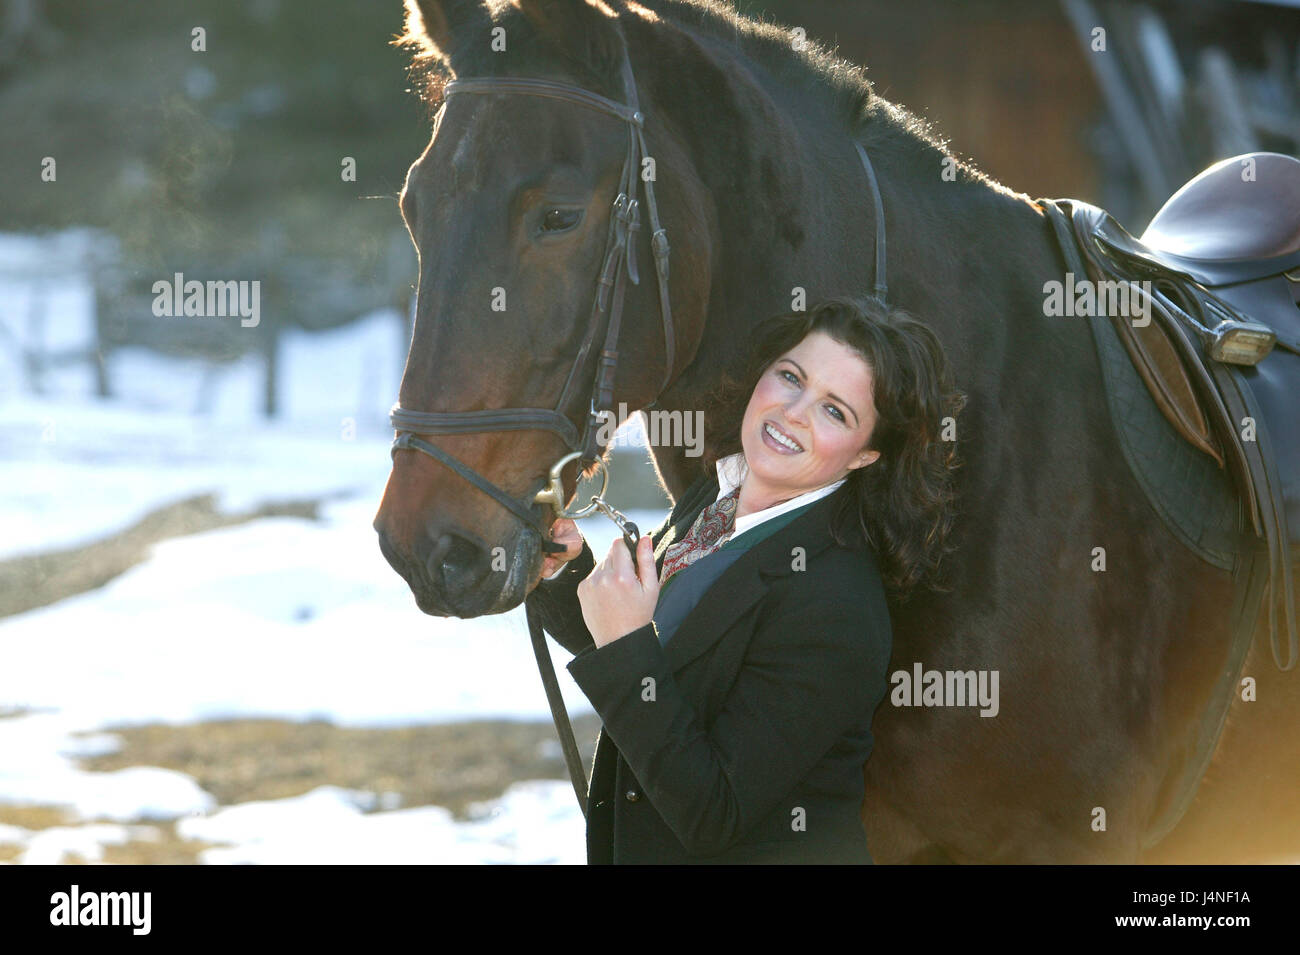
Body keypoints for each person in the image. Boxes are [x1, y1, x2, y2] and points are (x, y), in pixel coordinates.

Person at [525, 296, 964, 864]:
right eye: (791, 377)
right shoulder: (716, 497)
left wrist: (628, 644)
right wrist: (568, 572)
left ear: (865, 456)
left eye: (835, 411)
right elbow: (668, 664)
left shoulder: (837, 606)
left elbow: (715, 812)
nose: (793, 412)